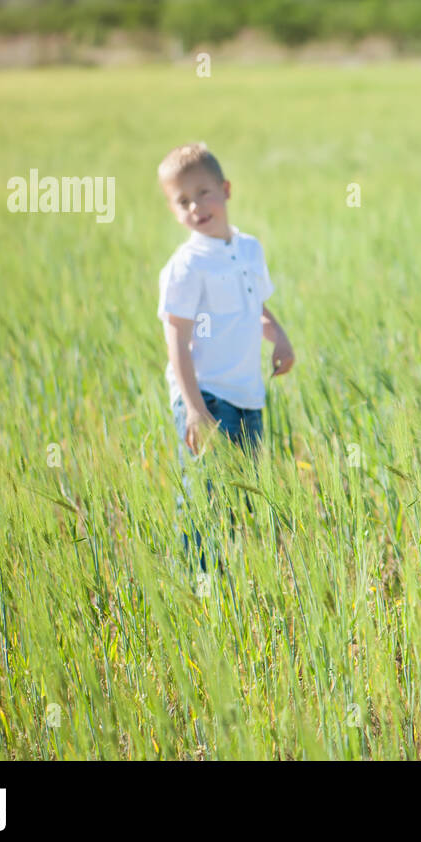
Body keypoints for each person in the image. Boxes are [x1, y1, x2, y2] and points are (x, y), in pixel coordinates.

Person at [155, 142, 294, 578]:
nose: (196, 206)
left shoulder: (248, 249)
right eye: (182, 200)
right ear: (174, 210)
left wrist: (279, 337)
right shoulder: (186, 266)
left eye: (203, 193)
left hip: (247, 394)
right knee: (205, 496)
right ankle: (200, 586)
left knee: (238, 497)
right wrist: (194, 410)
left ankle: (228, 582)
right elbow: (175, 338)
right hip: (208, 396)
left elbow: (254, 307)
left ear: (226, 189)